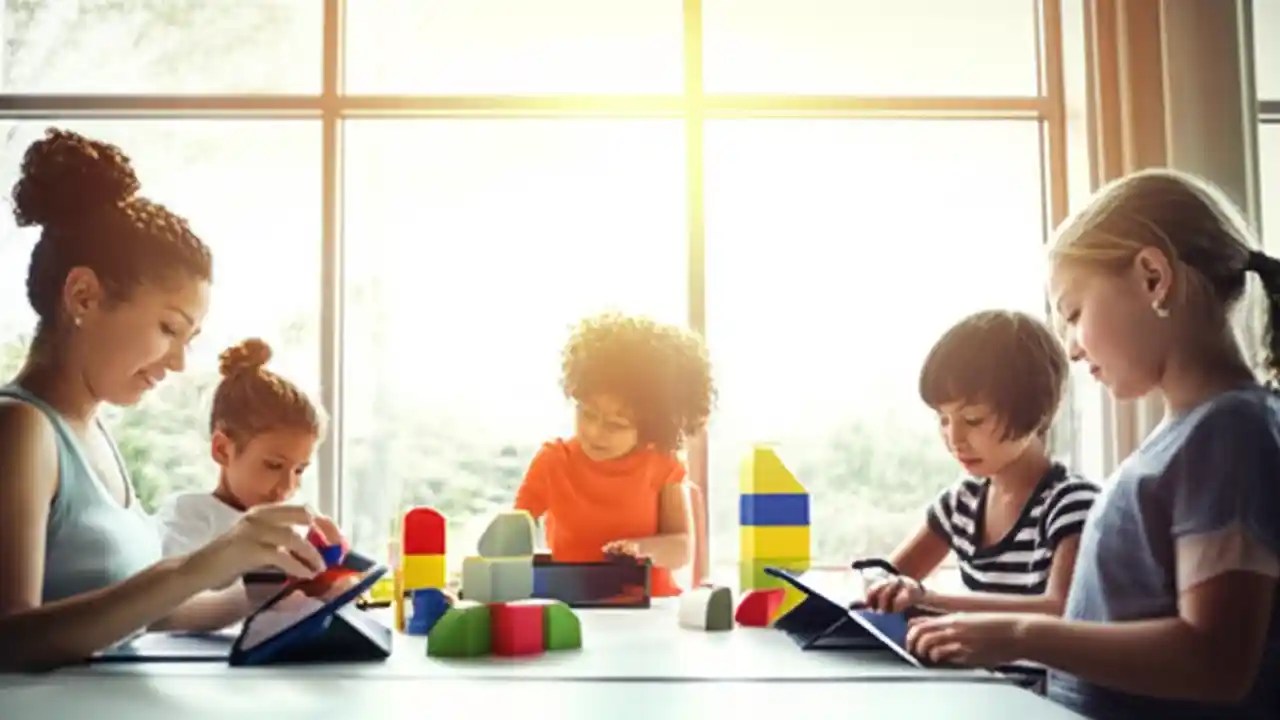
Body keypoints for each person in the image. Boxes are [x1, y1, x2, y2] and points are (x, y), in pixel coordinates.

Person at [906, 168, 1280, 719]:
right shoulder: (1193, 434)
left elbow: (1217, 659)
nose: (1074, 351)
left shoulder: (1229, 434)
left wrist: (1017, 633)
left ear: (1153, 277)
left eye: (1075, 313)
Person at [0, 128, 334, 672]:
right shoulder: (20, 428)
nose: (178, 362)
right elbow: (9, 639)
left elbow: (136, 613)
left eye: (189, 340)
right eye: (167, 328)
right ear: (83, 295)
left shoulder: (94, 434)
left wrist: (263, 591)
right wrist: (196, 566)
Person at [862, 310, 1099, 616]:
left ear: (1034, 412)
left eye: (973, 420)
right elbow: (888, 580)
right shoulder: (961, 504)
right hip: (970, 667)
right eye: (943, 419)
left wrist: (928, 599)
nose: (954, 437)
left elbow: (1061, 608)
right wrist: (879, 583)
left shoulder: (1072, 505)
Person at [513, 311, 715, 597]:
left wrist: (640, 548)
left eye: (616, 425)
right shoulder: (553, 461)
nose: (595, 432)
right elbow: (508, 536)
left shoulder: (661, 465)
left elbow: (680, 548)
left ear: (650, 428)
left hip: (650, 609)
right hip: (574, 607)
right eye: (587, 413)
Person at [156, 337, 326, 560]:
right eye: (274, 465)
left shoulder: (289, 530)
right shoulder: (190, 516)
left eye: (299, 470)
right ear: (222, 450)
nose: (287, 487)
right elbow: (176, 590)